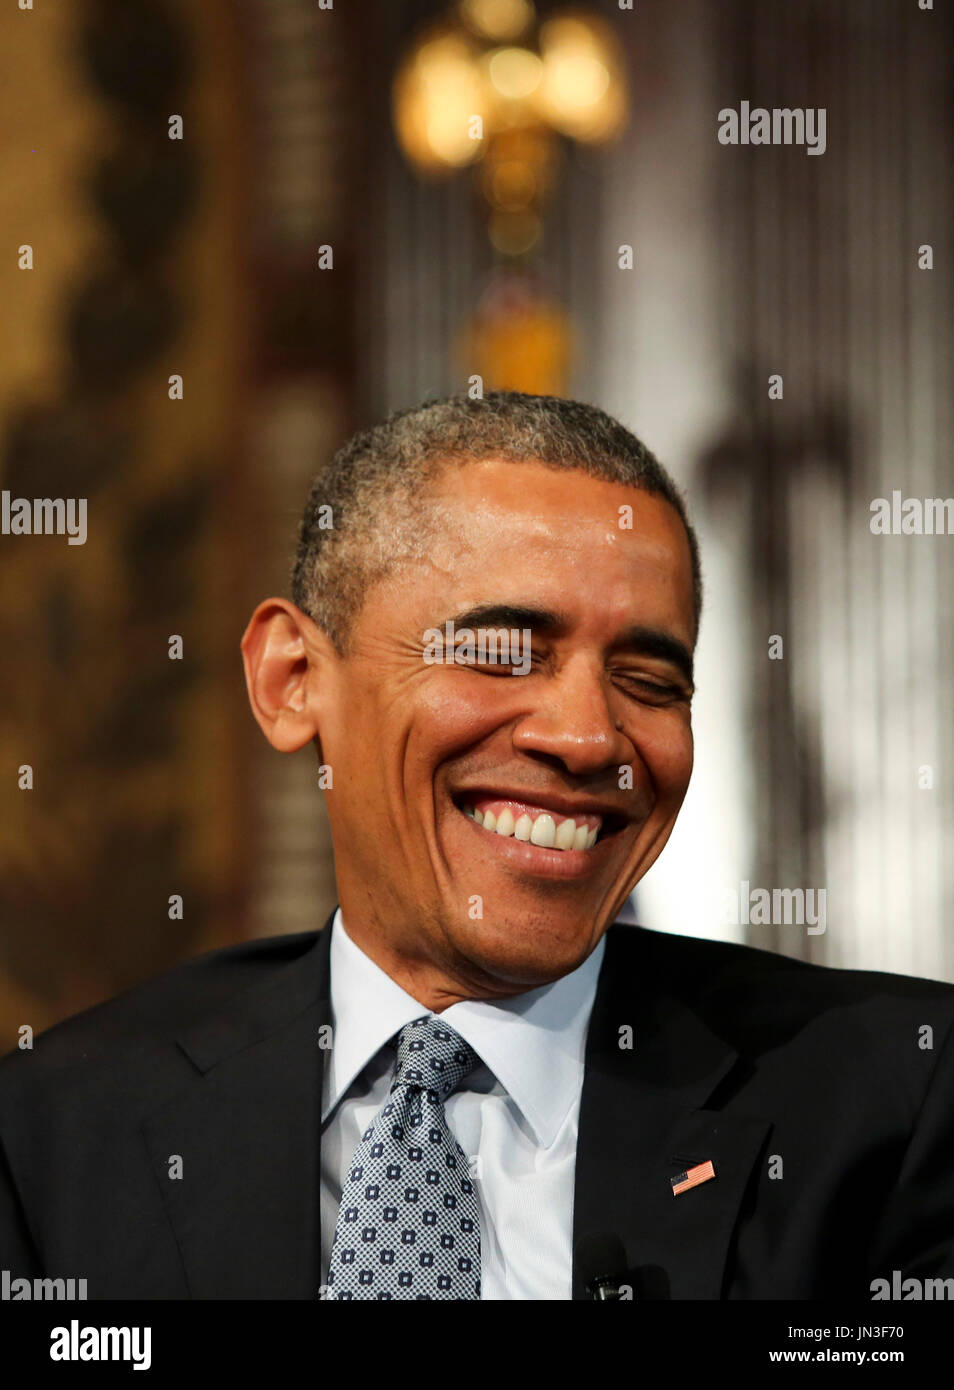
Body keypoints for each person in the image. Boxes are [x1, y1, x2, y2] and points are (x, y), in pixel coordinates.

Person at [1, 391, 952, 1300]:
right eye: (500, 652)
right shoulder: (56, 1134)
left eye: (650, 680)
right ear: (294, 680)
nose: (588, 738)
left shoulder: (899, 1105)